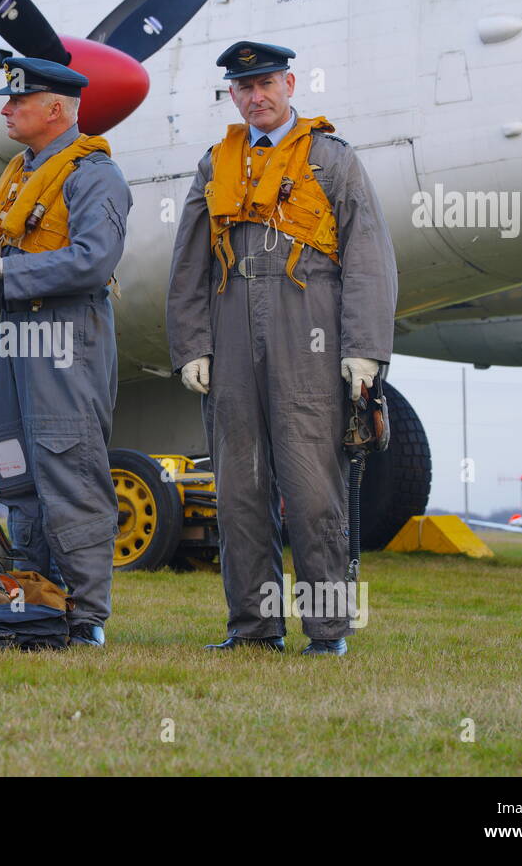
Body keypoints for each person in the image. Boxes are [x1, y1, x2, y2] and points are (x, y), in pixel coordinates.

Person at [166, 41, 397, 656]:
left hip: (310, 333)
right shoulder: (216, 163)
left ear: (290, 84)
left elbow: (369, 257)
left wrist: (364, 350)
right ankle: (253, 627)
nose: (255, 96)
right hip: (231, 333)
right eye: (243, 88)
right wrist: (192, 344)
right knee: (239, 491)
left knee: (314, 489)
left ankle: (327, 633)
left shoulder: (333, 159)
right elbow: (188, 262)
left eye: (265, 83)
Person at [0, 56, 131, 647]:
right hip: (14, 333)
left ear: (55, 109)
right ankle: (37, 599)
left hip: (63, 338)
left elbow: (93, 259)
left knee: (69, 467)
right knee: (17, 469)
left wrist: (6, 266)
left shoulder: (93, 174)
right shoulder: (20, 169)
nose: (5, 109)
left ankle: (86, 618)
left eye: (17, 101)